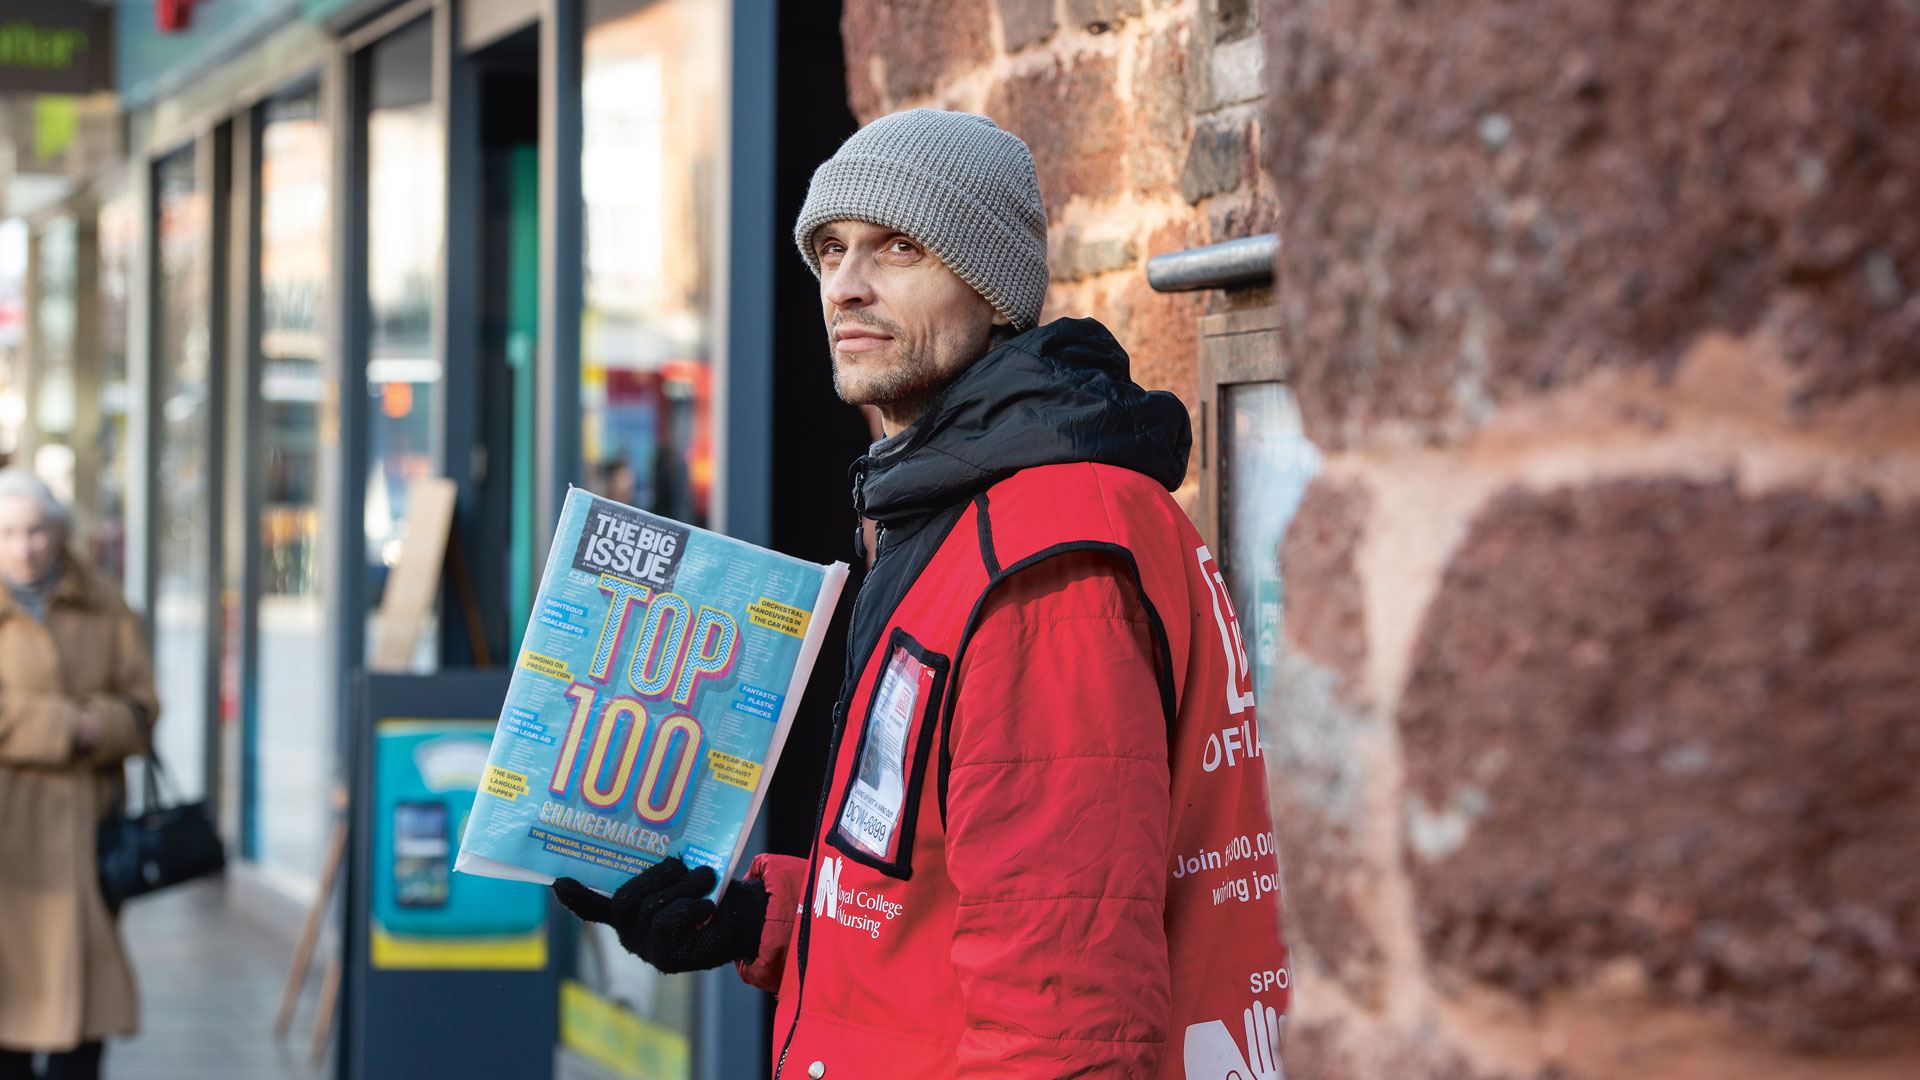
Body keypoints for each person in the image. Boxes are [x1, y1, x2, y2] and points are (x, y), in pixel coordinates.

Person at [554, 109, 1291, 1078]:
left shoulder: (1045, 558)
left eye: (900, 247)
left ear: (992, 290)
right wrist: (765, 916)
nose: (847, 286)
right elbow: (973, 877)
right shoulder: (963, 514)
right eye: (830, 248)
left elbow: (1063, 1009)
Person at [0, 469, 159, 1080]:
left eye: (37, 530)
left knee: (82, 1023)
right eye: (11, 532)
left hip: (87, 837)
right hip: (10, 840)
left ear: (59, 531)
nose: (25, 545)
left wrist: (108, 725)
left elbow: (143, 706)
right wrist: (66, 726)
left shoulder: (104, 600)